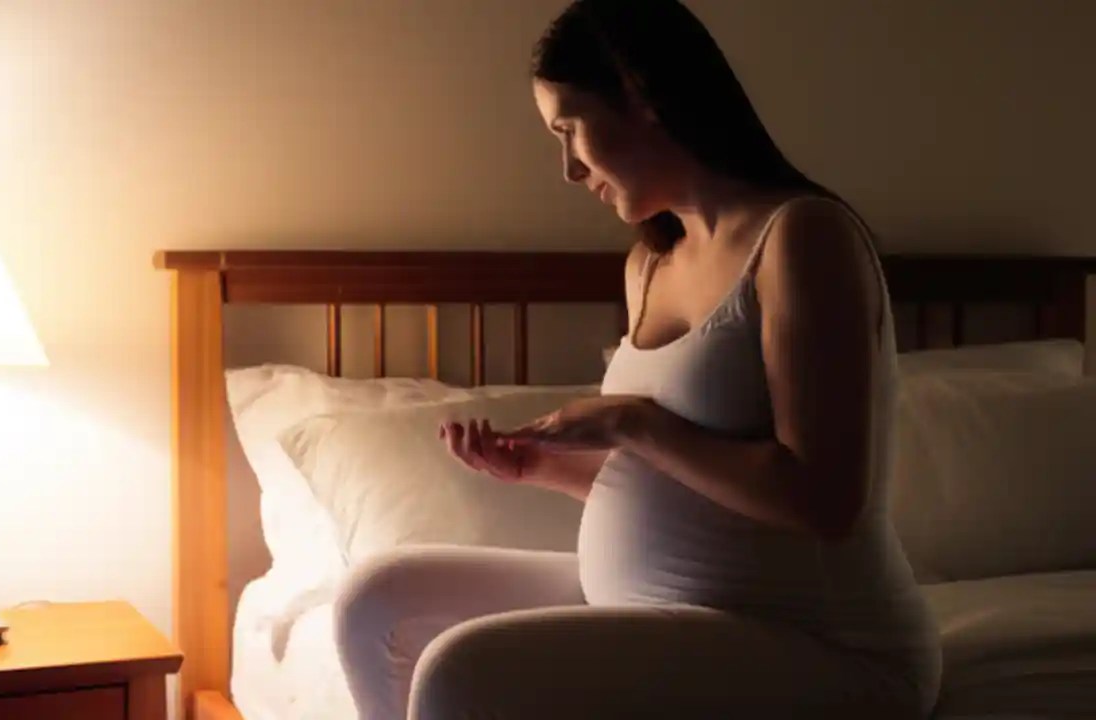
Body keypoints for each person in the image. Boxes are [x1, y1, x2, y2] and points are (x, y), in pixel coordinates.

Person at [335, 1, 942, 718]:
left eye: (568, 128)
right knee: (380, 599)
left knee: (457, 672)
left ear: (639, 93)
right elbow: (691, 489)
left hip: (821, 645)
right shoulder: (650, 263)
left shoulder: (801, 237)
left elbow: (824, 497)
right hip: (669, 613)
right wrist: (541, 468)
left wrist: (632, 423)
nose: (567, 169)